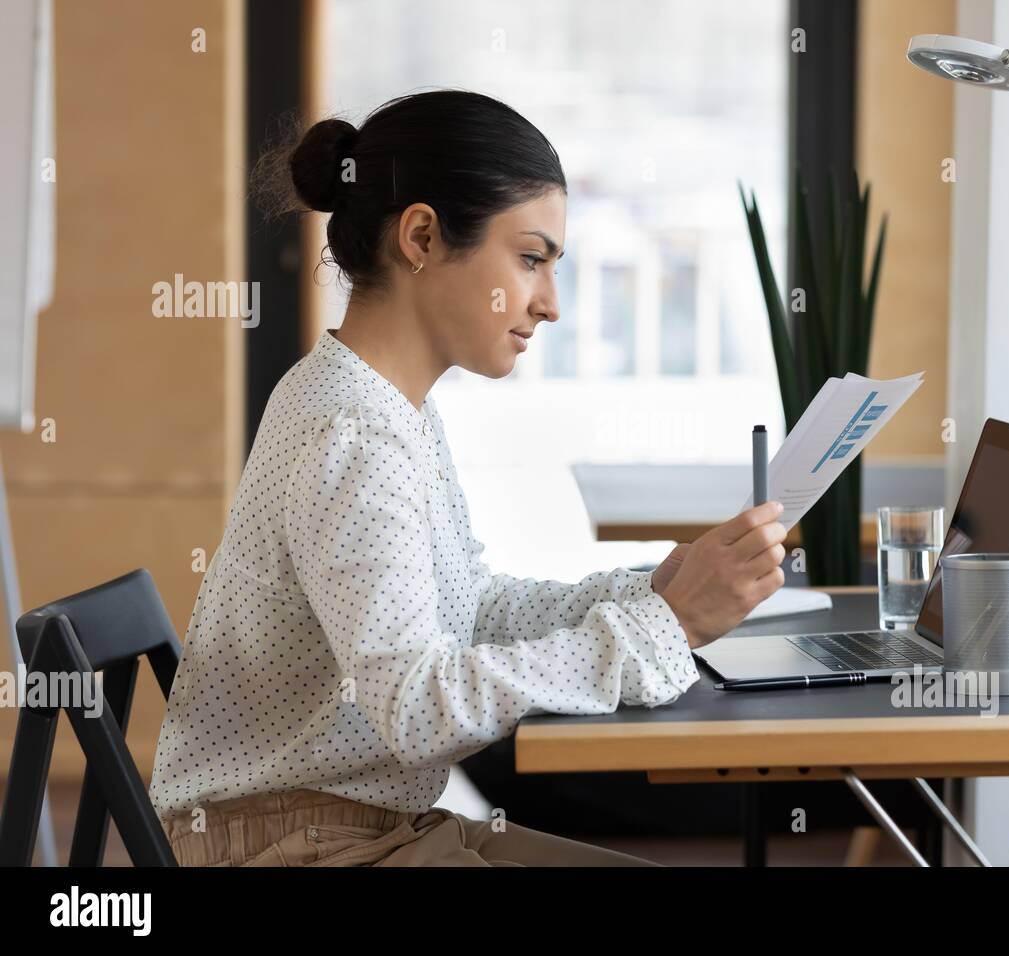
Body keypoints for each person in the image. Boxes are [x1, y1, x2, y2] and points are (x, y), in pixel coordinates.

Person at [147, 90, 788, 867]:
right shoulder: (350, 433)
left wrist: (649, 594)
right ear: (420, 236)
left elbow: (470, 607)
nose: (549, 304)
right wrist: (669, 629)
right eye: (529, 259)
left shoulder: (388, 407)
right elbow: (418, 707)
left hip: (355, 827)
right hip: (290, 847)